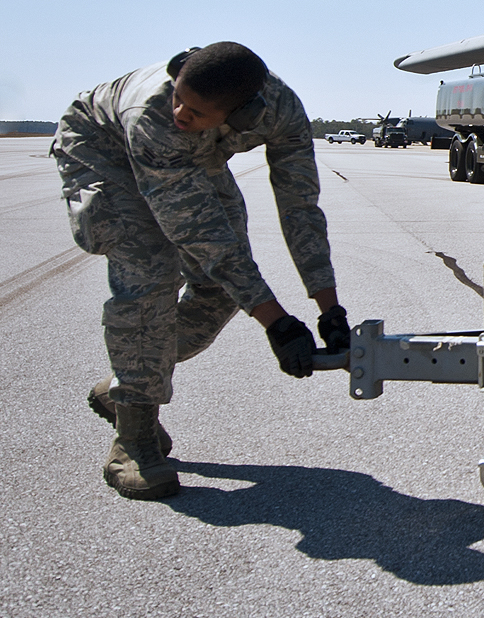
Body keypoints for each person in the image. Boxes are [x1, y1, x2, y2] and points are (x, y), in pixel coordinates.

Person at [52, 43, 348, 500]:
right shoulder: (157, 115)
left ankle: (126, 386)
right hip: (104, 150)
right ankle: (134, 439)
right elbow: (205, 239)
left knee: (221, 291)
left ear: (242, 115)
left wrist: (330, 310)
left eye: (194, 110)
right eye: (178, 97)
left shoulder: (281, 112)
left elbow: (300, 208)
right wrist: (279, 323)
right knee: (148, 275)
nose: (179, 112)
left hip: (190, 159)